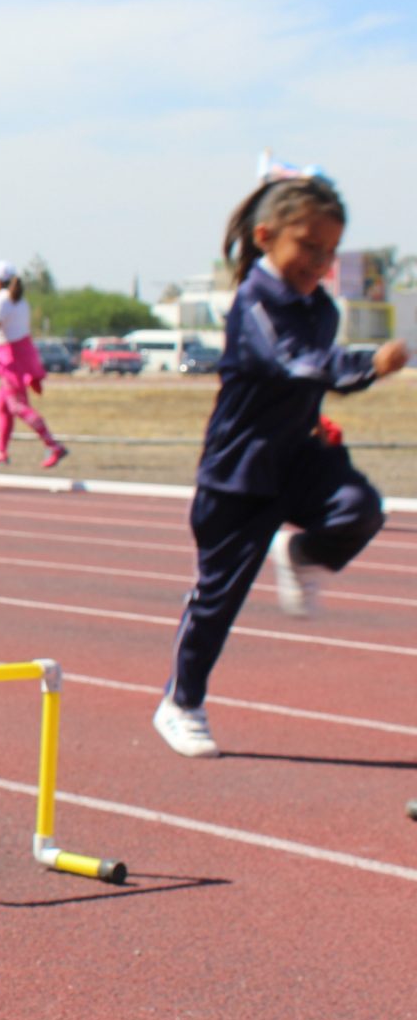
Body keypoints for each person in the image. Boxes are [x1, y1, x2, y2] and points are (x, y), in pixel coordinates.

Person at [153, 165, 407, 759]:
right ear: (267, 237)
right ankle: (181, 702)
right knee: (218, 596)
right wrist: (370, 365)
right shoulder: (254, 302)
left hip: (297, 456)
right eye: (310, 246)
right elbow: (298, 363)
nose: (320, 262)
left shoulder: (322, 307)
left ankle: (301, 552)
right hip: (239, 471)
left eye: (331, 252)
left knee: (360, 509)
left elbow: (310, 375)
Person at [0, 261, 67, 469]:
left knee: (18, 406)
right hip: (19, 357)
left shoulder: (0, 301)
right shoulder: (19, 301)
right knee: (3, 406)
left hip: (10, 360)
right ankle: (1, 450)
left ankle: (53, 445)